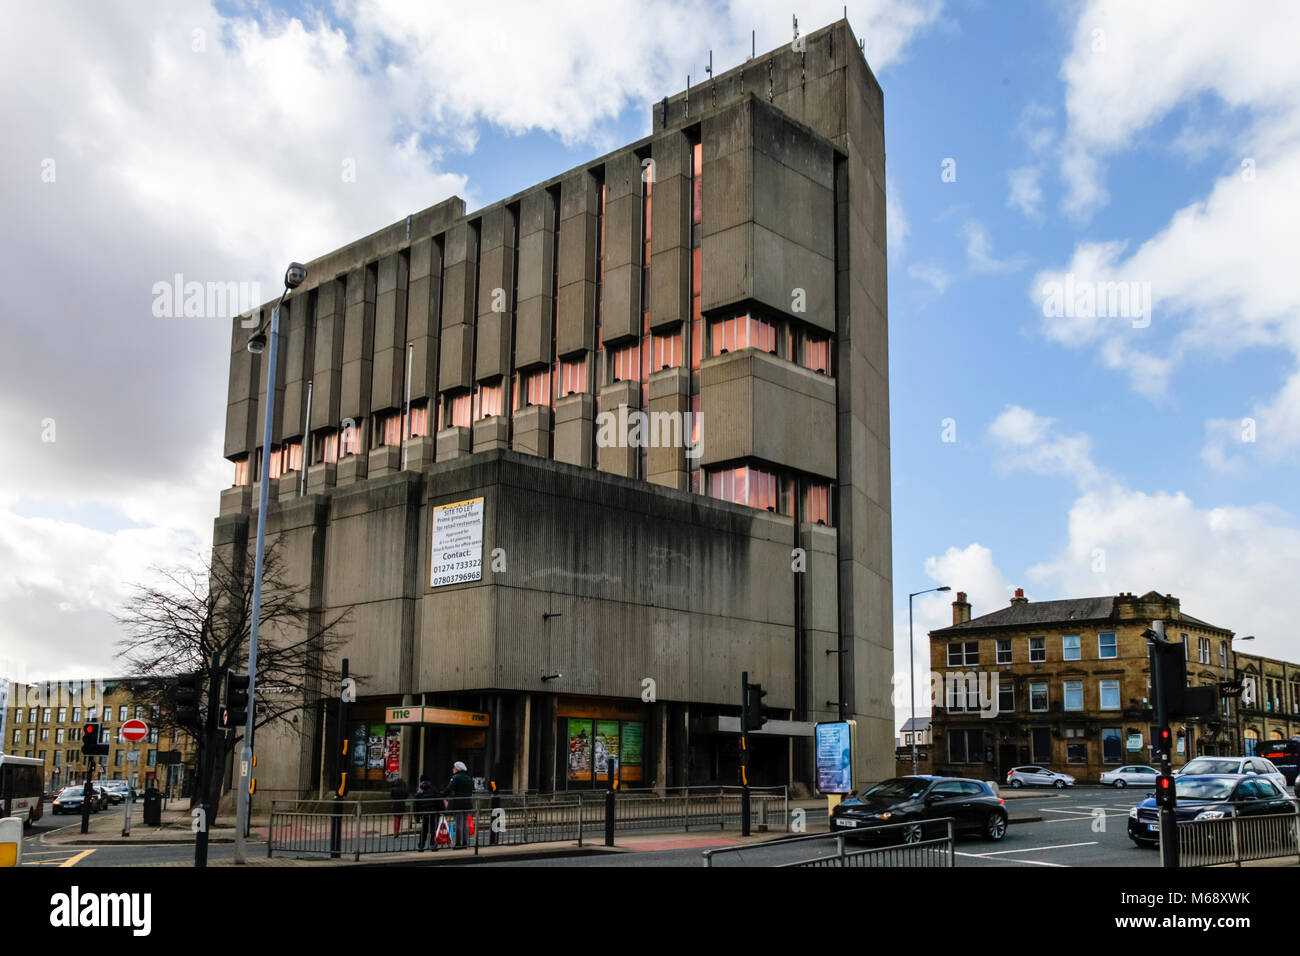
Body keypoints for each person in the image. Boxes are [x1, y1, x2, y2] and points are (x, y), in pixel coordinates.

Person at [439, 761, 473, 849]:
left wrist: (440, 795)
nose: (453, 769)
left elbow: (449, 789)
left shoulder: (456, 777)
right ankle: (465, 842)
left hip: (458, 803)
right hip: (468, 803)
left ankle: (458, 843)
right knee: (465, 823)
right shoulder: (469, 778)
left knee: (458, 823)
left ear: (457, 769)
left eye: (454, 768)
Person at [414, 776, 438, 851]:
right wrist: (441, 811)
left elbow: (416, 805)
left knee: (424, 829)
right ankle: (433, 844)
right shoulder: (433, 790)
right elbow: (439, 801)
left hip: (424, 813)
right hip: (433, 813)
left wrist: (417, 817)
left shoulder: (419, 791)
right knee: (433, 829)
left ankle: (421, 845)